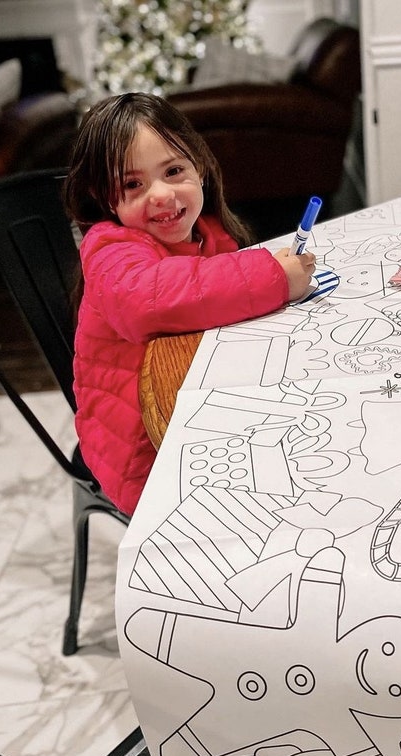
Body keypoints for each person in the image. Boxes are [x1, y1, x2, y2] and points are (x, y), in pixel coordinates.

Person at [63, 92, 316, 516]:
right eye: (132, 184)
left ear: (199, 165)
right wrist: (272, 277)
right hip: (144, 455)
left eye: (173, 170)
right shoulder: (109, 247)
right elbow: (146, 300)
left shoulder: (210, 232)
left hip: (196, 412)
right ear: (107, 198)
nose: (161, 194)